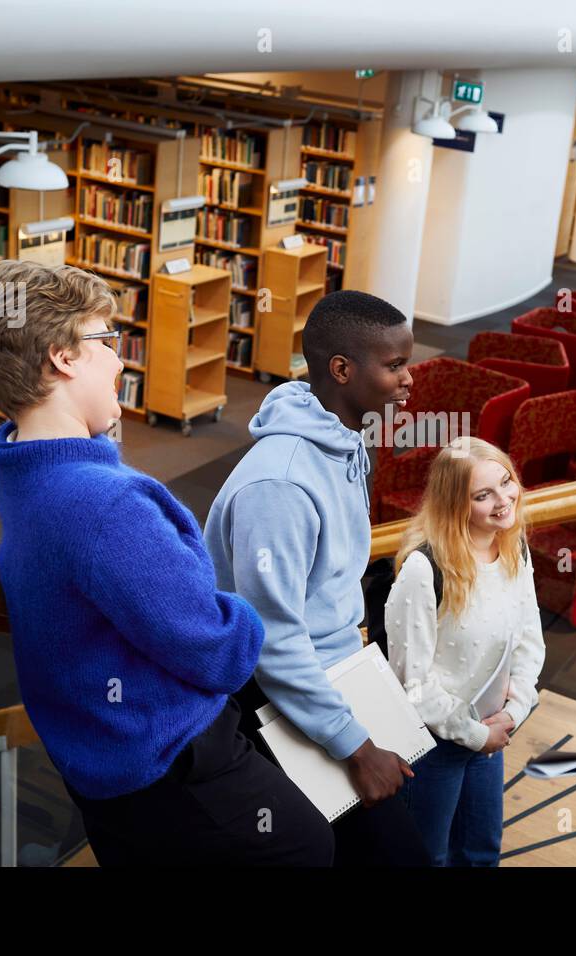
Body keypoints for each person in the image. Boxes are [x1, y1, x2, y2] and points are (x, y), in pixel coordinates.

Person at [0, 260, 333, 867]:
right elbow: (219, 650)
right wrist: (244, 612)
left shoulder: (21, 472)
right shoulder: (106, 504)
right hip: (172, 760)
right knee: (307, 845)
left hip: (103, 769)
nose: (120, 360)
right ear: (63, 356)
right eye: (106, 341)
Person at [204, 290, 430, 867]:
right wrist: (353, 745)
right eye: (396, 365)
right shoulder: (278, 487)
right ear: (341, 369)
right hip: (282, 696)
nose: (410, 380)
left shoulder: (346, 439)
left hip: (338, 671)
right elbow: (272, 639)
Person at [384, 437, 546, 866]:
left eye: (506, 483)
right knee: (428, 857)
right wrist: (477, 734)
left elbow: (529, 638)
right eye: (482, 495)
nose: (503, 501)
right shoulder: (425, 570)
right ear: (456, 503)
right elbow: (412, 685)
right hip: (435, 744)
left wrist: (514, 712)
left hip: (492, 733)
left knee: (480, 852)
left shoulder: (515, 546)